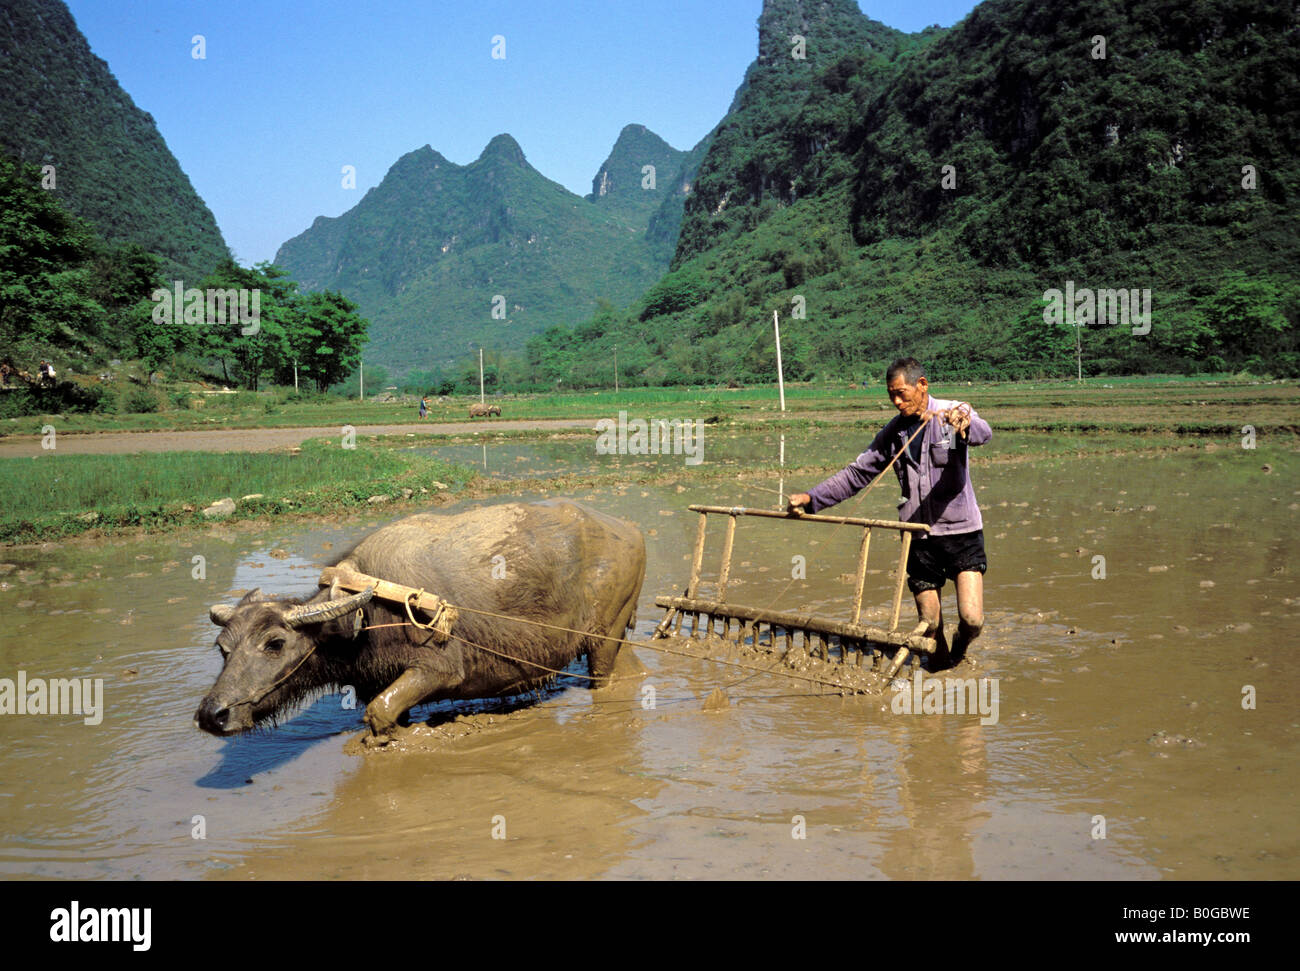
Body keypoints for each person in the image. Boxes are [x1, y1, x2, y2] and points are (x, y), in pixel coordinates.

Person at [787, 357, 990, 669]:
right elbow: (856, 475)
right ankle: (940, 673)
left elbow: (983, 433)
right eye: (891, 395)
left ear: (922, 385)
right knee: (930, 625)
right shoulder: (894, 433)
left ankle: (961, 647)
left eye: (901, 393)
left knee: (972, 618)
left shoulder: (952, 412)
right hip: (917, 537)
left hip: (961, 530)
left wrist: (962, 423)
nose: (896, 401)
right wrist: (811, 498)